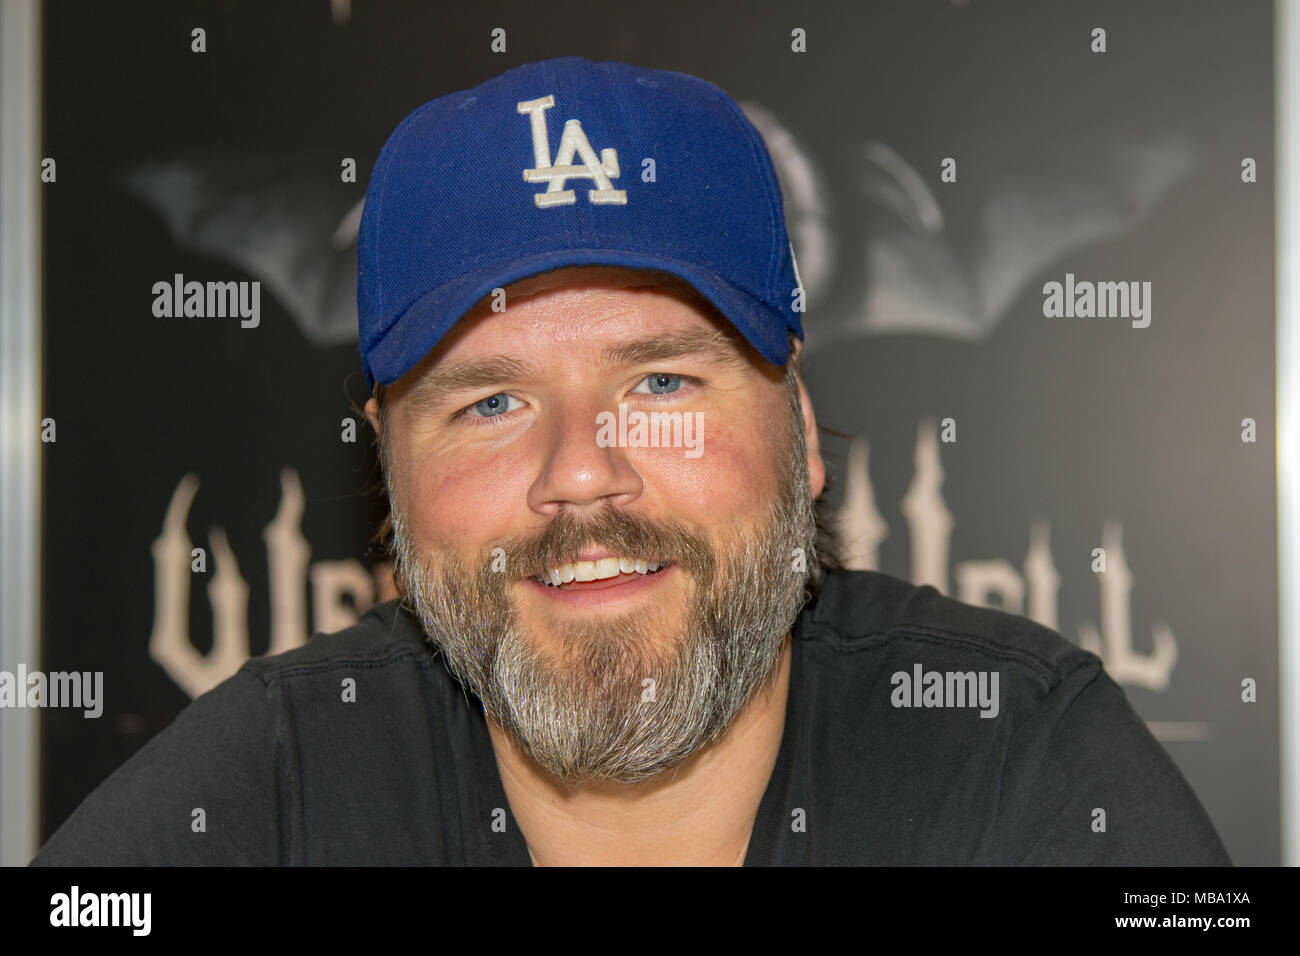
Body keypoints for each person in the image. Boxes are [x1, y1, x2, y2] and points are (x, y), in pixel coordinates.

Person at [32, 56, 1230, 866]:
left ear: (801, 433)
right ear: (391, 488)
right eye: (492, 400)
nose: (583, 473)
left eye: (659, 380)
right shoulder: (268, 789)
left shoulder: (1018, 756)